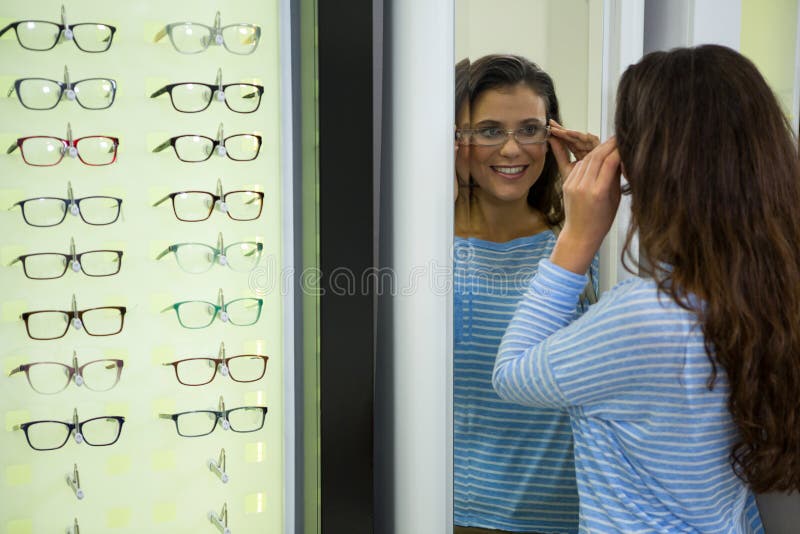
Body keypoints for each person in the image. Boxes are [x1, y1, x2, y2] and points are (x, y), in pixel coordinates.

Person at [493, 44, 800, 532]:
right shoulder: (767, 287)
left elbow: (512, 375)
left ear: (642, 163)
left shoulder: (649, 317)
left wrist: (578, 236)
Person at [453, 54, 599, 533]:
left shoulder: (581, 247)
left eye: (531, 129)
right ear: (456, 141)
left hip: (566, 517)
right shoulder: (416, 249)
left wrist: (619, 190)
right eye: (490, 130)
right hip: (451, 513)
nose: (513, 149)